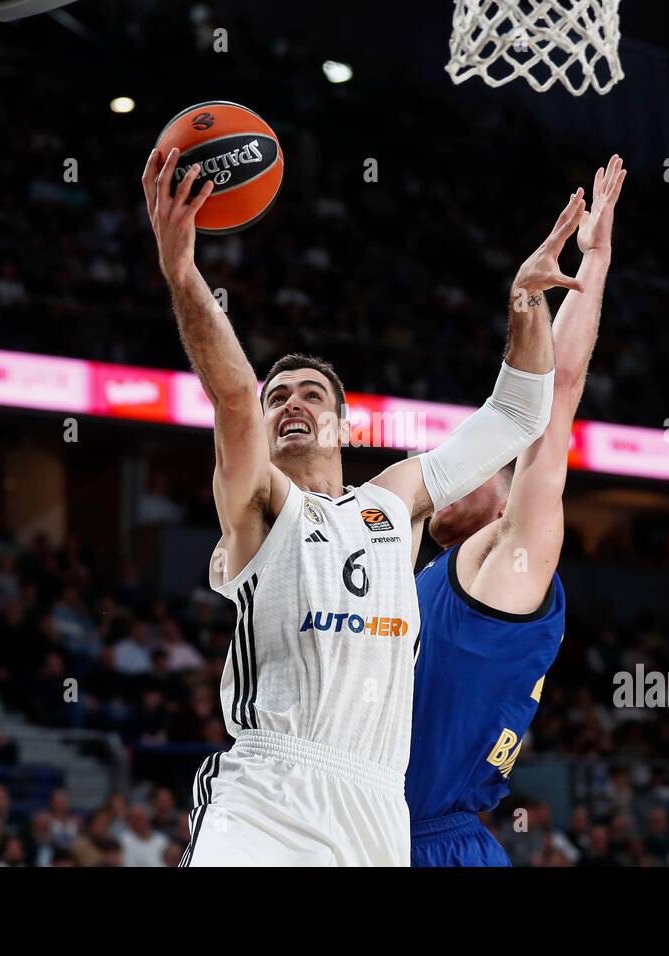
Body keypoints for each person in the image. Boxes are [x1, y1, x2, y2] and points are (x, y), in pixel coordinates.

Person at [141, 146, 586, 866]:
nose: (291, 404)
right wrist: (183, 272)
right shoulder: (259, 504)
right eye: (278, 396)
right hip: (270, 787)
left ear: (345, 426)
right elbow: (231, 398)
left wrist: (525, 302)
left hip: (379, 802)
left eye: (311, 393)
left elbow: (516, 413)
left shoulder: (397, 499)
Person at [406, 156, 625, 866]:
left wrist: (589, 265)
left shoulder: (509, 564)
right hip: (372, 828)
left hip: (432, 842)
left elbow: (555, 398)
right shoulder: (423, 578)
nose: (456, 461)